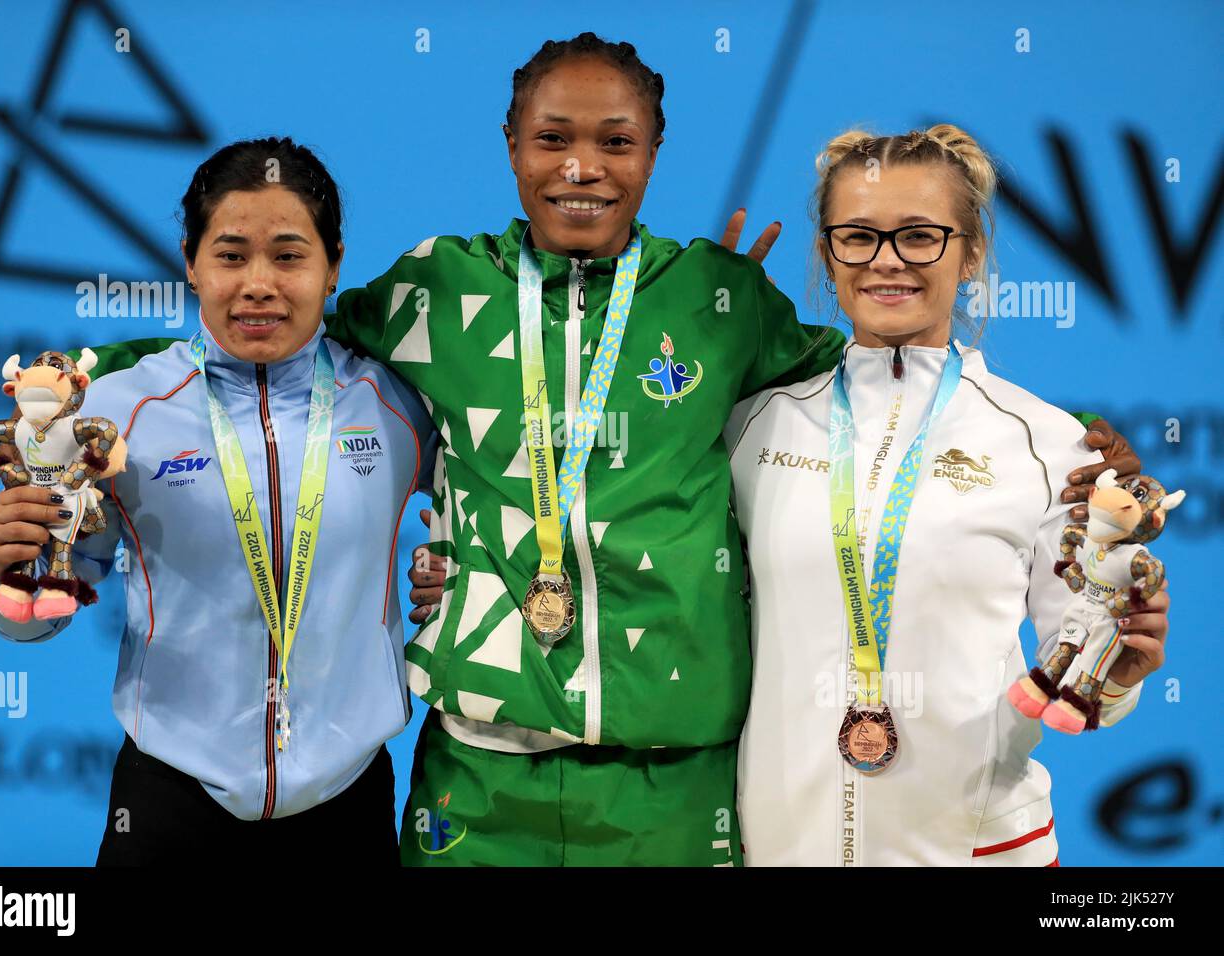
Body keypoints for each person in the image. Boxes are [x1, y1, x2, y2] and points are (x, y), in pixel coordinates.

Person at [77, 35, 1138, 866]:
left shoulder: (719, 302)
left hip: (673, 788)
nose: (581, 167)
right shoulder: (436, 290)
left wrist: (1064, 456)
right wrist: (78, 392)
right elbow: (267, 339)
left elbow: (881, 383)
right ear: (510, 144)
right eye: (551, 138)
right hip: (478, 784)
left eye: (616, 142)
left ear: (654, 153)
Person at [0, 137, 435, 866]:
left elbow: (484, 521)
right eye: (230, 255)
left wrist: (450, 572)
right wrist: (3, 567)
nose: (258, 284)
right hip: (169, 807)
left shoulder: (395, 405)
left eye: (289, 255)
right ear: (190, 262)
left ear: (334, 265)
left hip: (347, 809)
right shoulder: (120, 411)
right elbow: (42, 611)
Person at [725, 125, 1170, 866]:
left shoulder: (1048, 443)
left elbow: (1081, 655)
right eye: (857, 236)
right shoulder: (751, 427)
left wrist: (1118, 674)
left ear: (972, 253)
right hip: (780, 847)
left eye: (920, 236)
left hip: (982, 850)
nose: (887, 259)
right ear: (828, 254)